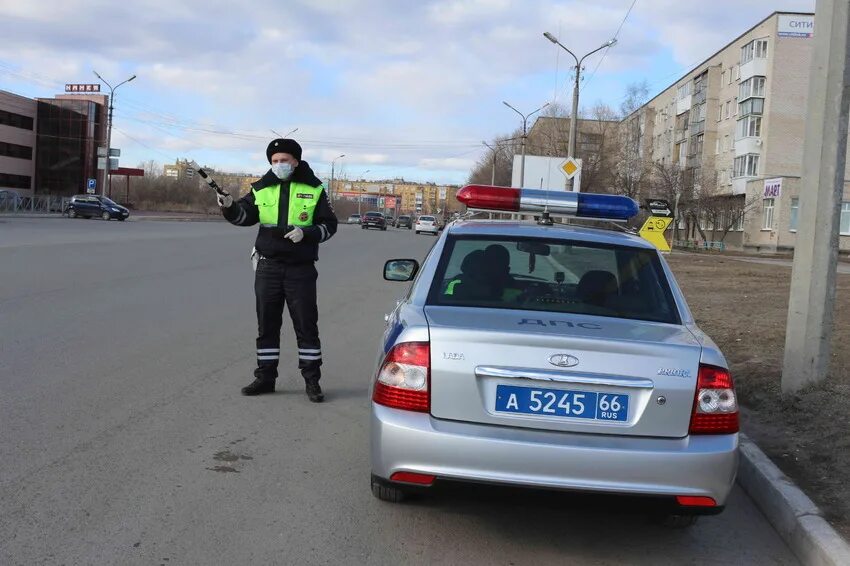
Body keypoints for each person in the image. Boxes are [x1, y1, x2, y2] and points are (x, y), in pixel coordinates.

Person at [218, 138, 338, 401]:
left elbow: (330, 225)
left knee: (306, 325)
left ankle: (312, 381)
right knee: (267, 325)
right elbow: (244, 217)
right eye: (274, 161)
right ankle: (265, 377)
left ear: (296, 161)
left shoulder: (314, 188)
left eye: (284, 160)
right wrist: (228, 206)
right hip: (268, 267)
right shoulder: (261, 188)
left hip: (300, 270)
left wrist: (306, 233)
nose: (279, 164)